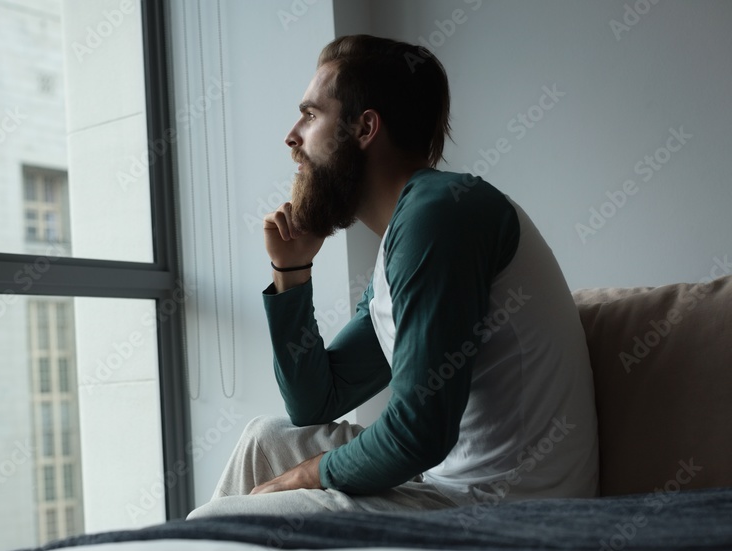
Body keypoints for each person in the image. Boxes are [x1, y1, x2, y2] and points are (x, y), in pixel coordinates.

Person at [187, 35, 598, 520]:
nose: (292, 136)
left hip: (509, 512)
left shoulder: (441, 216)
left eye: (311, 115)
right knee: (264, 440)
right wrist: (291, 273)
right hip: (448, 488)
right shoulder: (406, 236)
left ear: (365, 128)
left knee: (219, 520)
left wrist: (307, 474)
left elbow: (419, 432)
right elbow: (315, 403)